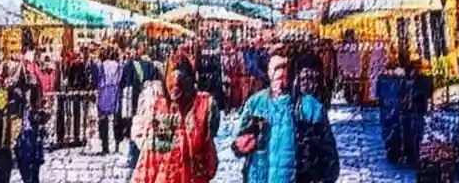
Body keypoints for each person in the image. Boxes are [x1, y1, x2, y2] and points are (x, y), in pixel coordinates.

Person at [130, 52, 220, 183]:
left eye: (182, 76)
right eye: (172, 75)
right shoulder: (156, 105)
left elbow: (209, 159)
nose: (177, 80)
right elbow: (148, 157)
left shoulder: (204, 106)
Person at [236, 54, 324, 183]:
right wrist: (242, 144)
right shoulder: (255, 103)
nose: (281, 81)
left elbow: (328, 161)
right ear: (269, 74)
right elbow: (239, 142)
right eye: (277, 76)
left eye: (285, 75)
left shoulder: (310, 108)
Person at [293, 68, 339, 183]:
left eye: (308, 81)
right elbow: (327, 144)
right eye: (303, 80)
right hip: (310, 166)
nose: (306, 84)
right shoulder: (316, 107)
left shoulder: (295, 105)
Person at [118, 47, 156, 169]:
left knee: (134, 127)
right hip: (143, 99)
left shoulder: (129, 66)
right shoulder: (148, 65)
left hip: (135, 100)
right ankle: (140, 155)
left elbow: (123, 83)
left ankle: (135, 155)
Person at [91, 46, 124, 154]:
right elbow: (120, 79)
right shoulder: (119, 65)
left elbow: (97, 78)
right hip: (114, 91)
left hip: (104, 92)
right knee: (116, 120)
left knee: (103, 120)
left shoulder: (101, 65)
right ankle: (117, 145)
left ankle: (105, 146)